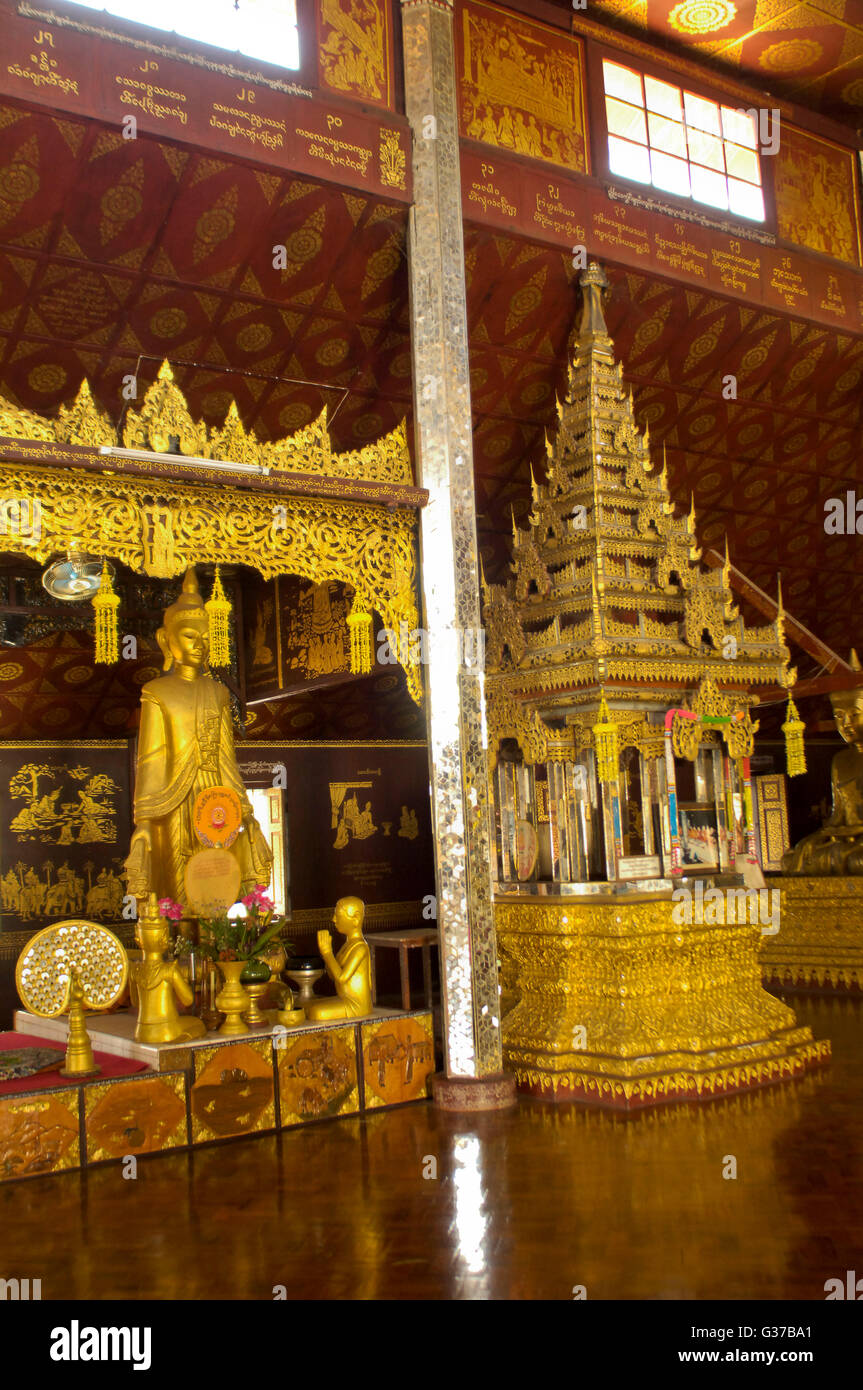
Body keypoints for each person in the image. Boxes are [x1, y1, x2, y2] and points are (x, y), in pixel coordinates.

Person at [124, 568, 272, 905]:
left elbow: (226, 758)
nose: (200, 645)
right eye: (191, 635)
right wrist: (144, 821)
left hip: (216, 799)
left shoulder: (219, 692)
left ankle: (216, 945)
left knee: (217, 879)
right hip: (172, 800)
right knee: (176, 884)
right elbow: (151, 758)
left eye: (206, 638)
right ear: (166, 639)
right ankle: (180, 947)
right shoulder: (156, 691)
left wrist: (245, 811)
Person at [783, 653, 863, 874]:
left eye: (854, 715)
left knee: (856, 861)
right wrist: (822, 835)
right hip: (849, 837)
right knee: (796, 858)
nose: (846, 724)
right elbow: (838, 815)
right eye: (839, 716)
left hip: (857, 842)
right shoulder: (841, 761)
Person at [304, 896, 372, 1021]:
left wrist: (327, 953)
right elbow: (332, 975)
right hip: (344, 998)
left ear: (355, 919)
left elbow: (341, 979)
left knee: (316, 1012)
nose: (334, 919)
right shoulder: (347, 945)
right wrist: (325, 955)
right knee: (305, 1006)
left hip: (356, 1005)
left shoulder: (360, 948)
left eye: (338, 915)